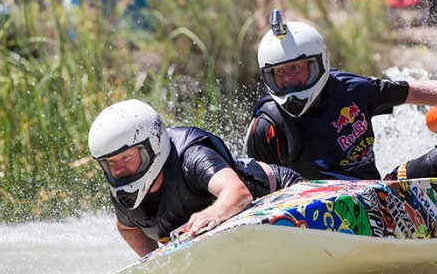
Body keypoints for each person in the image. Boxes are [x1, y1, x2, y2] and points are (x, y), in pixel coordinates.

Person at [244, 11, 437, 181]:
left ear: (318, 63)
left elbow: (412, 91)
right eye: (279, 72)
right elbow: (259, 185)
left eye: (295, 68)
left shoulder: (352, 89)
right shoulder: (267, 126)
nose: (288, 79)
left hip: (378, 201)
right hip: (312, 217)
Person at [89, 99, 302, 257]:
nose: (118, 170)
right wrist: (152, 262)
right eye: (110, 163)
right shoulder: (123, 193)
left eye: (125, 157)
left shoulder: (192, 156)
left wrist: (213, 214)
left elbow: (238, 193)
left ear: (152, 146)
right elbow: (126, 227)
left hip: (286, 195)